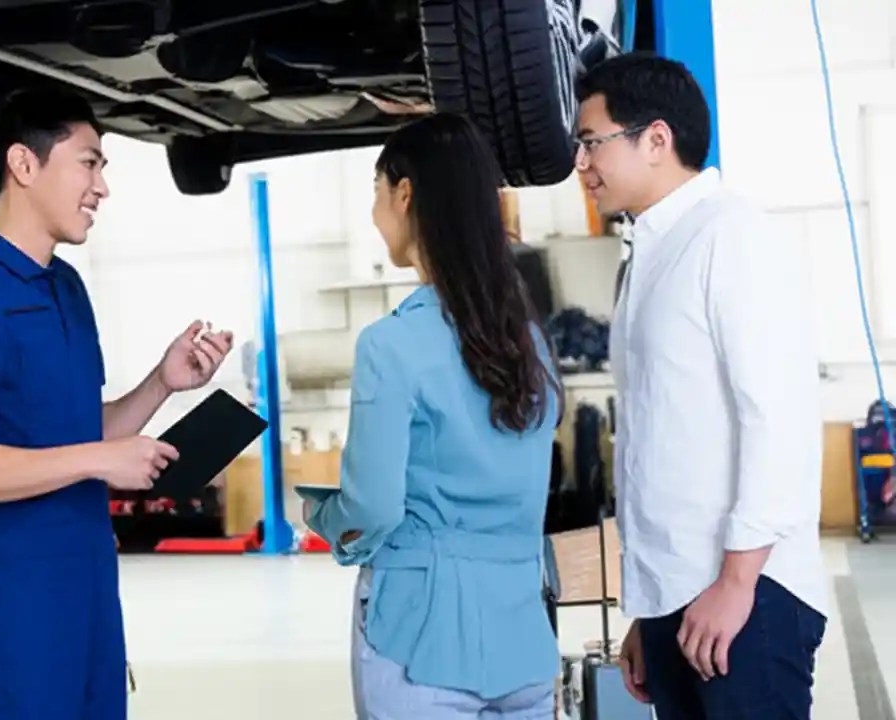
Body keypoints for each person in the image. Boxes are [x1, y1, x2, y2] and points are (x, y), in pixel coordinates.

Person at [0, 87, 233, 720]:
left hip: (87, 591)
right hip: (12, 609)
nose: (102, 186)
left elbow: (81, 432)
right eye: (89, 162)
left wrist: (161, 383)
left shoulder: (67, 287)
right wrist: (95, 461)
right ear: (23, 166)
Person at [574, 53, 829, 719]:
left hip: (748, 595)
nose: (582, 165)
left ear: (655, 139)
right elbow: (660, 440)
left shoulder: (730, 234)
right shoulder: (653, 253)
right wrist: (650, 611)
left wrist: (739, 579)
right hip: (683, 599)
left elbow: (776, 416)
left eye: (591, 142)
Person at [303, 112, 564, 719]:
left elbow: (370, 508)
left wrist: (322, 515)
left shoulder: (390, 345)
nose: (373, 214)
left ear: (405, 192)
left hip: (419, 641)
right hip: (523, 638)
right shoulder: (528, 340)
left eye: (375, 191)